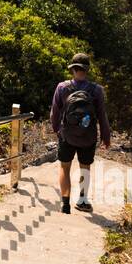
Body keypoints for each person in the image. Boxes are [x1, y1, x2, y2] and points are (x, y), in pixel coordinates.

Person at [49, 53, 111, 214]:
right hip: (88, 137)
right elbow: (102, 115)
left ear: (73, 69)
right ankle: (82, 201)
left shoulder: (62, 87)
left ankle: (65, 203)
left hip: (67, 135)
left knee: (65, 167)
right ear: (87, 70)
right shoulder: (96, 90)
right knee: (85, 168)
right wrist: (106, 136)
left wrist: (56, 129)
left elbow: (55, 112)